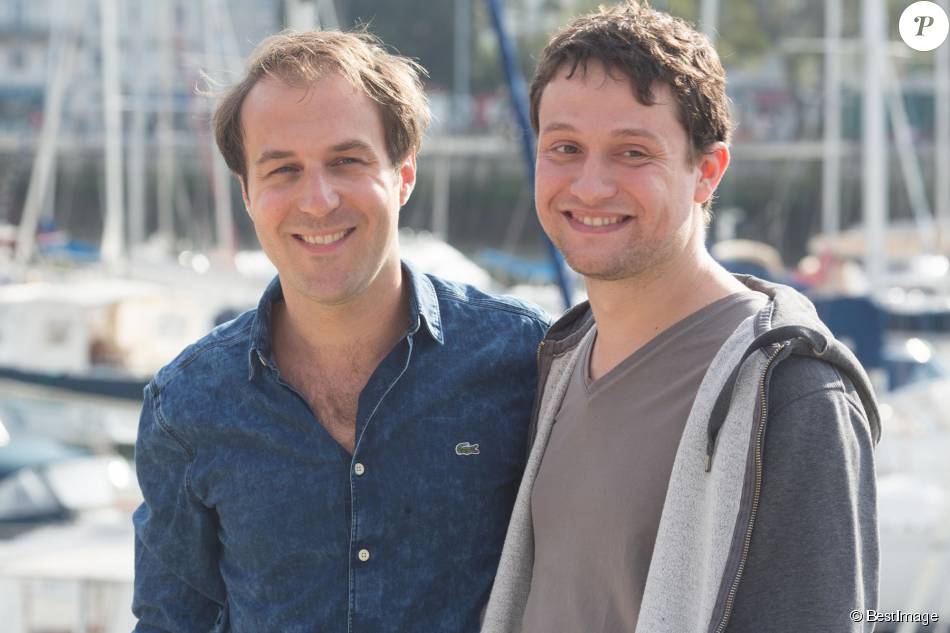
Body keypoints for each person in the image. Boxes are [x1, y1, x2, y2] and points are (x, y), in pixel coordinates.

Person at [131, 29, 549, 632]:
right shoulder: (187, 406)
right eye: (283, 170)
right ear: (247, 193)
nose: (318, 200)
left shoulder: (522, 360)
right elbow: (171, 622)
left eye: (346, 162)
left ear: (404, 174)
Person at [481, 3, 880, 632]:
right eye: (565, 148)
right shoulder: (559, 361)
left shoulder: (792, 392)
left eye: (632, 152)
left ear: (707, 172)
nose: (590, 186)